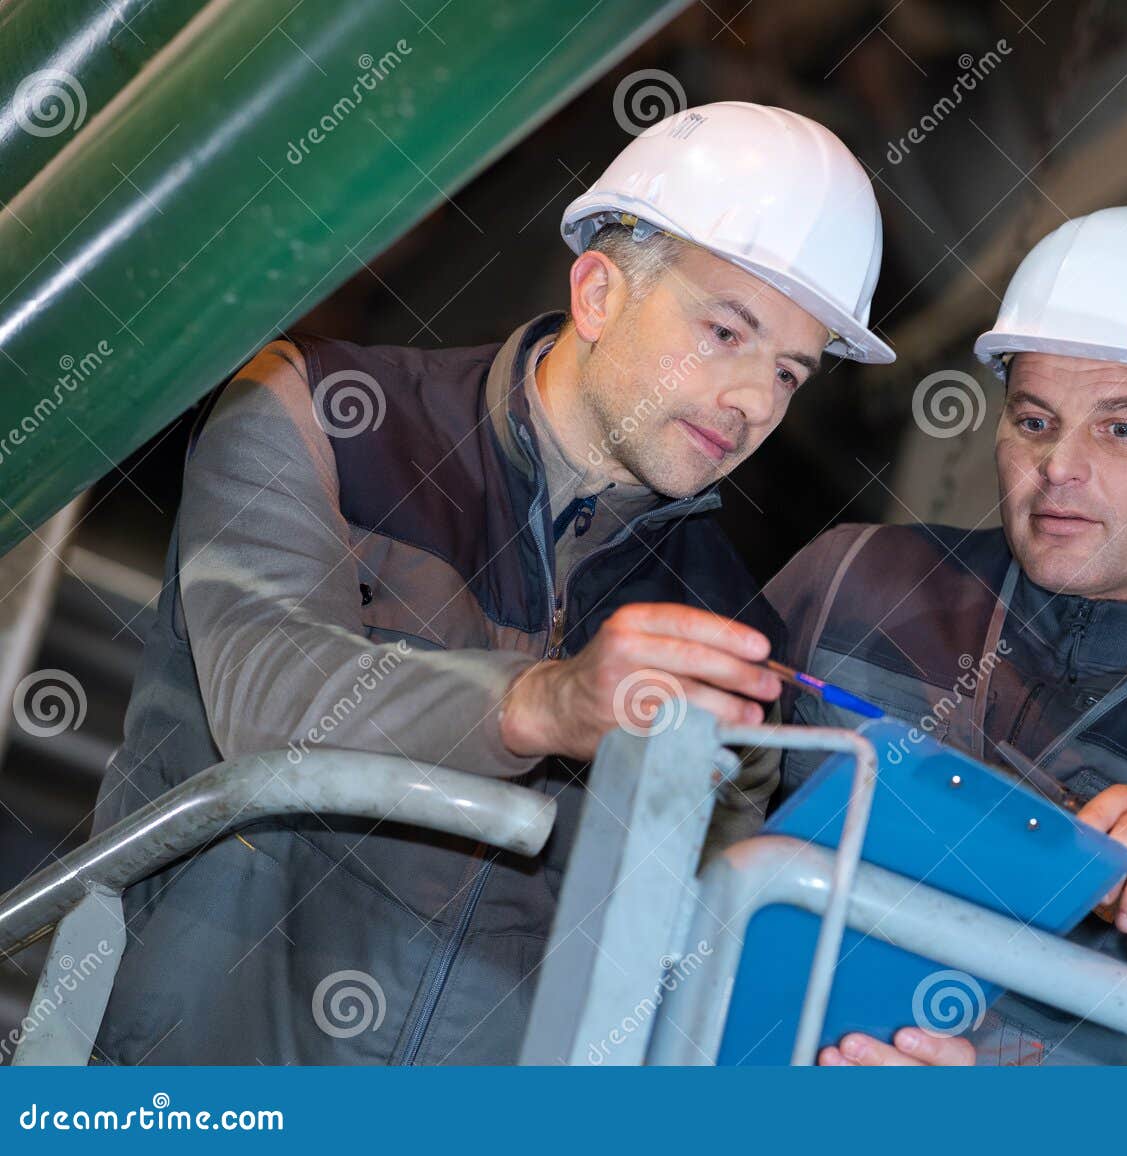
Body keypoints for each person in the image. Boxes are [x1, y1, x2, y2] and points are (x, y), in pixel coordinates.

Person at [90, 102, 895, 1064]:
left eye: (791, 374)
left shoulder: (725, 631)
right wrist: (542, 705)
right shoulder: (325, 416)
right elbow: (269, 696)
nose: (754, 401)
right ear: (598, 293)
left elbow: (697, 953)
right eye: (726, 331)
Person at [766, 205, 1127, 1066]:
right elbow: (662, 821)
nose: (1060, 466)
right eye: (1034, 421)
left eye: (1121, 427)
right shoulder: (854, 581)